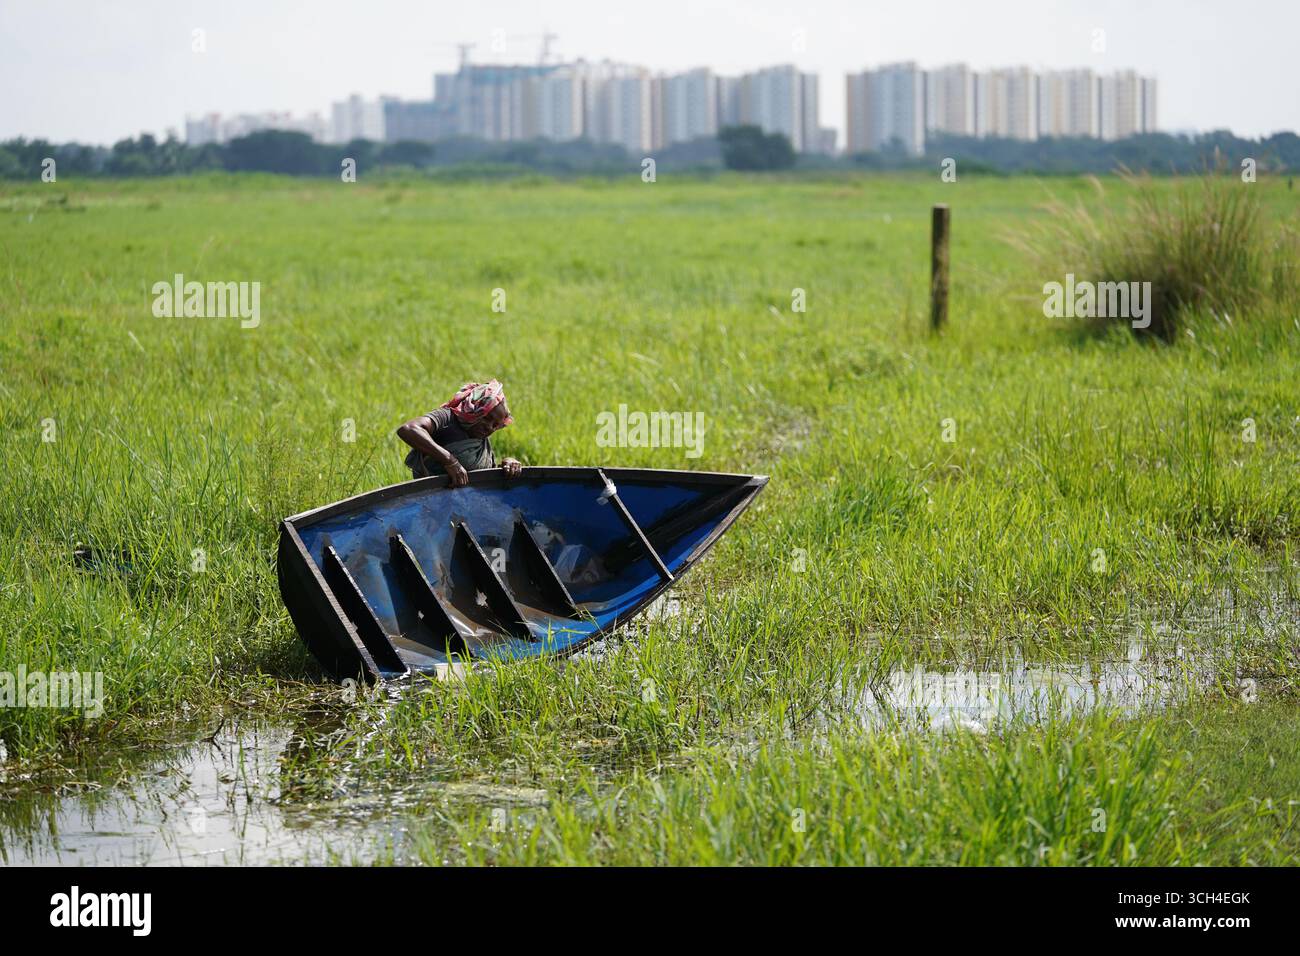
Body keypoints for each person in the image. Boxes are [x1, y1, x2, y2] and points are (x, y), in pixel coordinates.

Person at [396, 380, 522, 486]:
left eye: (495, 425)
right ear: (475, 411)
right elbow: (408, 429)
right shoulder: (447, 418)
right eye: (486, 418)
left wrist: (508, 463)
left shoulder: (481, 438)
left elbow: (485, 475)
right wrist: (449, 461)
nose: (489, 428)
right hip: (434, 502)